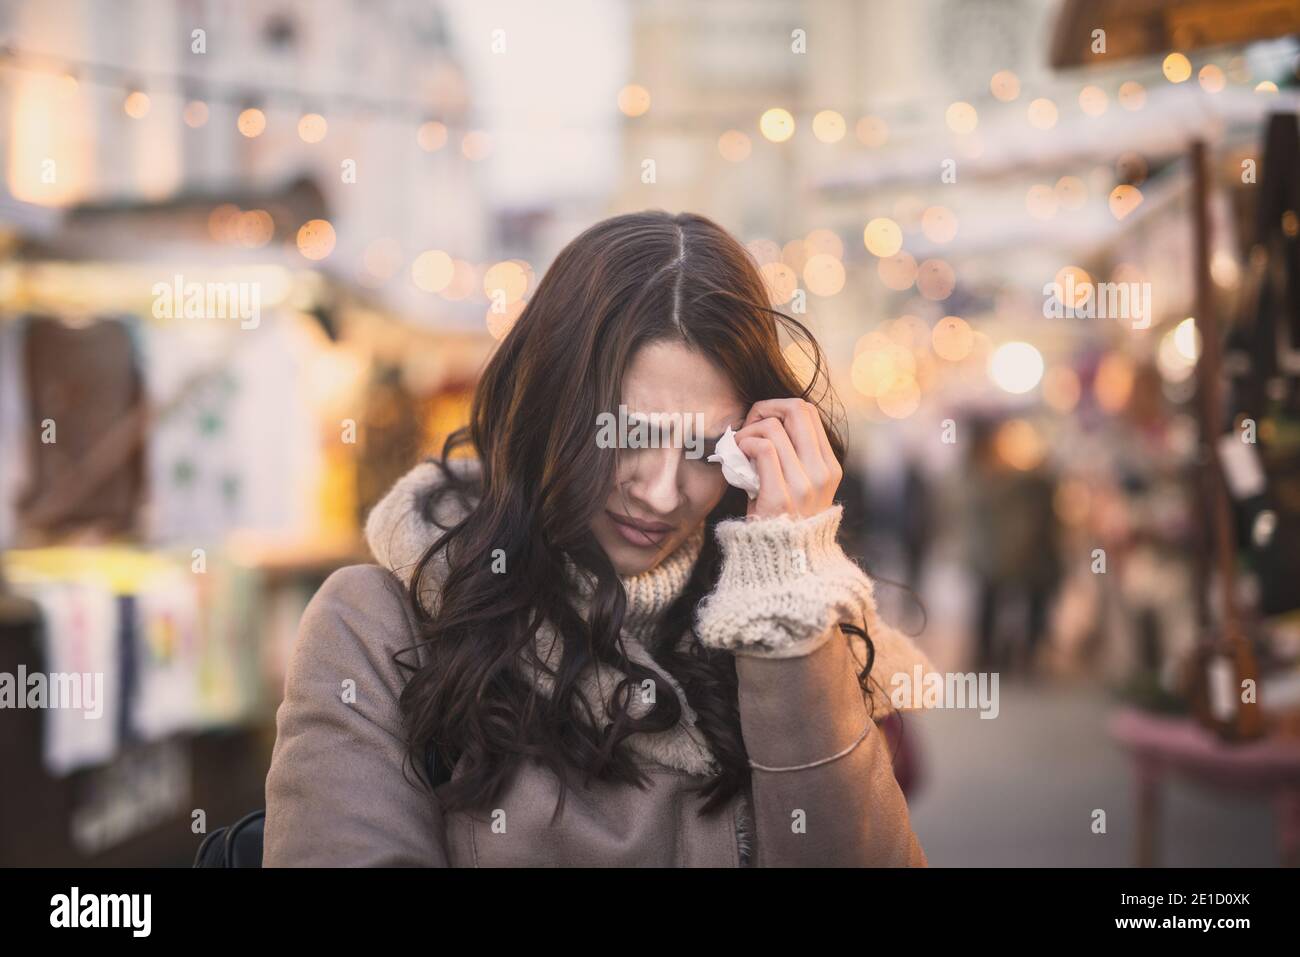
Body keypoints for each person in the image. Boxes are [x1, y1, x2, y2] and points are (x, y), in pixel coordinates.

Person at [264, 210, 933, 867]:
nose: (662, 492)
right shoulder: (376, 626)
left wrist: (785, 606)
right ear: (547, 405)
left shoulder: (793, 623)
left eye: (705, 449)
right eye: (631, 436)